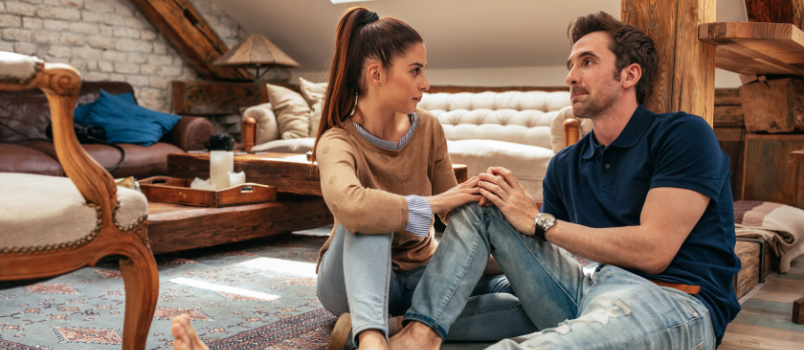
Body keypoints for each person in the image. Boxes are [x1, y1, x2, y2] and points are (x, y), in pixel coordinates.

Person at [169, 5, 537, 350]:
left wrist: (503, 233)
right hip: (351, 279)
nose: (426, 82)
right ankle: (372, 338)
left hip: (423, 275)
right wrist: (440, 202)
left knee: (527, 301)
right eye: (415, 70)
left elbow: (453, 216)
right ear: (376, 74)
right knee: (369, 216)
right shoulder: (337, 140)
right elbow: (353, 207)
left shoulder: (428, 129)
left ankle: (396, 328)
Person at [389, 11, 741, 350]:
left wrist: (538, 221)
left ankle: (387, 329)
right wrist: (474, 244)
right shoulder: (565, 165)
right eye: (570, 65)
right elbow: (547, 249)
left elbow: (654, 251)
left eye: (587, 62)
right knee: (487, 201)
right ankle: (418, 332)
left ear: (629, 75)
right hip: (585, 288)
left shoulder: (683, 135)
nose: (571, 76)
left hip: (671, 298)